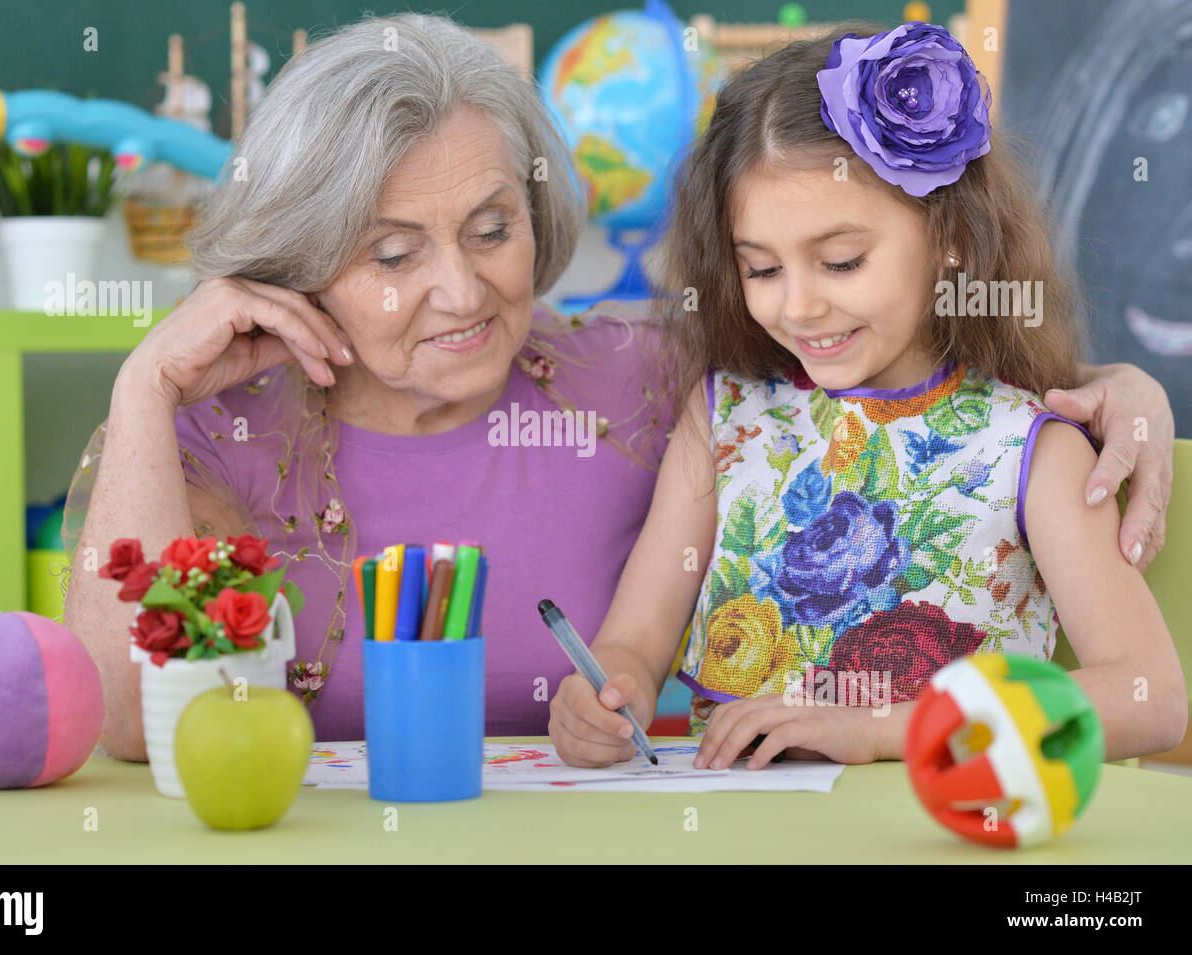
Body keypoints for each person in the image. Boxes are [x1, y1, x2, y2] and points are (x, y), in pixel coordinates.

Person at [61, 14, 1175, 760]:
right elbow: (122, 720)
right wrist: (141, 389)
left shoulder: (643, 376)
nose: (461, 289)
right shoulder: (216, 434)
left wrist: (1111, 385)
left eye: (493, 229)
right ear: (300, 262)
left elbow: (915, 392)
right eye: (393, 255)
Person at [549, 21, 1187, 770]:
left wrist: (887, 729)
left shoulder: (1032, 448)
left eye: (841, 262)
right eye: (760, 269)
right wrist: (604, 687)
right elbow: (634, 639)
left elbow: (1150, 698)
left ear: (949, 237)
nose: (799, 308)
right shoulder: (725, 416)